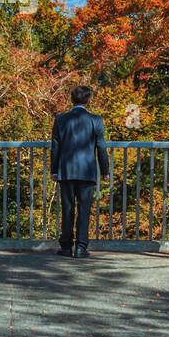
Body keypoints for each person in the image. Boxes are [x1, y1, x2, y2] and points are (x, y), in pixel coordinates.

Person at [50, 85, 111, 259]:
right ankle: (81, 248)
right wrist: (105, 170)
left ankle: (66, 246)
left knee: (67, 208)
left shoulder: (61, 119)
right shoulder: (96, 120)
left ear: (72, 100)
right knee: (84, 209)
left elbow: (56, 148)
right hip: (87, 171)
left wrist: (54, 170)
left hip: (66, 170)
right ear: (88, 100)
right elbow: (101, 147)